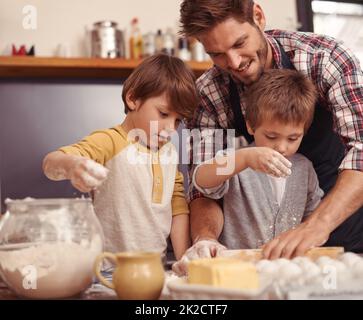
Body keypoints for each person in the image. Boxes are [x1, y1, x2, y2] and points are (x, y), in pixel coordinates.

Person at [176, 0, 363, 268]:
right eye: (217, 54)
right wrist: (205, 239)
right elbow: (203, 188)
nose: (234, 62)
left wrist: (315, 226)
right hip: (253, 256)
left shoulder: (325, 57)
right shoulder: (207, 93)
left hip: (341, 232)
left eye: (239, 43)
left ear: (258, 17)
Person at [42, 54, 199, 261]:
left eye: (178, 120)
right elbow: (51, 162)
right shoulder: (110, 141)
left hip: (154, 269)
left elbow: (177, 206)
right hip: (106, 270)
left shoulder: (169, 152)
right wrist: (73, 165)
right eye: (163, 114)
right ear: (133, 99)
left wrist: (184, 261)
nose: (171, 129)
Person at [173, 69, 322, 274]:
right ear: (251, 125)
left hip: (287, 273)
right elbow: (201, 180)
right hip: (236, 271)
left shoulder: (305, 169)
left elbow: (314, 219)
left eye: (292, 138)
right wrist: (244, 159)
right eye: (271, 136)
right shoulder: (236, 160)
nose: (281, 147)